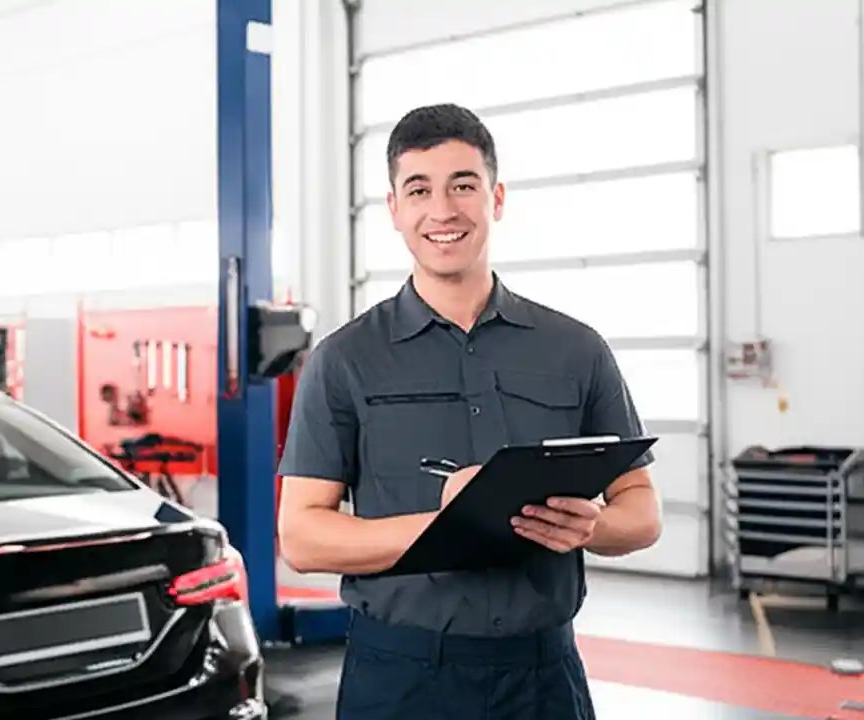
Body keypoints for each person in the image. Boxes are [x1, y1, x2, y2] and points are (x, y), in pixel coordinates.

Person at [275, 103, 663, 719]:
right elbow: (302, 536)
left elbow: (642, 512)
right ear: (395, 210)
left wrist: (590, 526)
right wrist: (456, 524)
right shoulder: (344, 360)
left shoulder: (575, 349)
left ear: (497, 197)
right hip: (400, 680)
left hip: (544, 680)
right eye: (419, 189)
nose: (443, 210)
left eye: (463, 185)